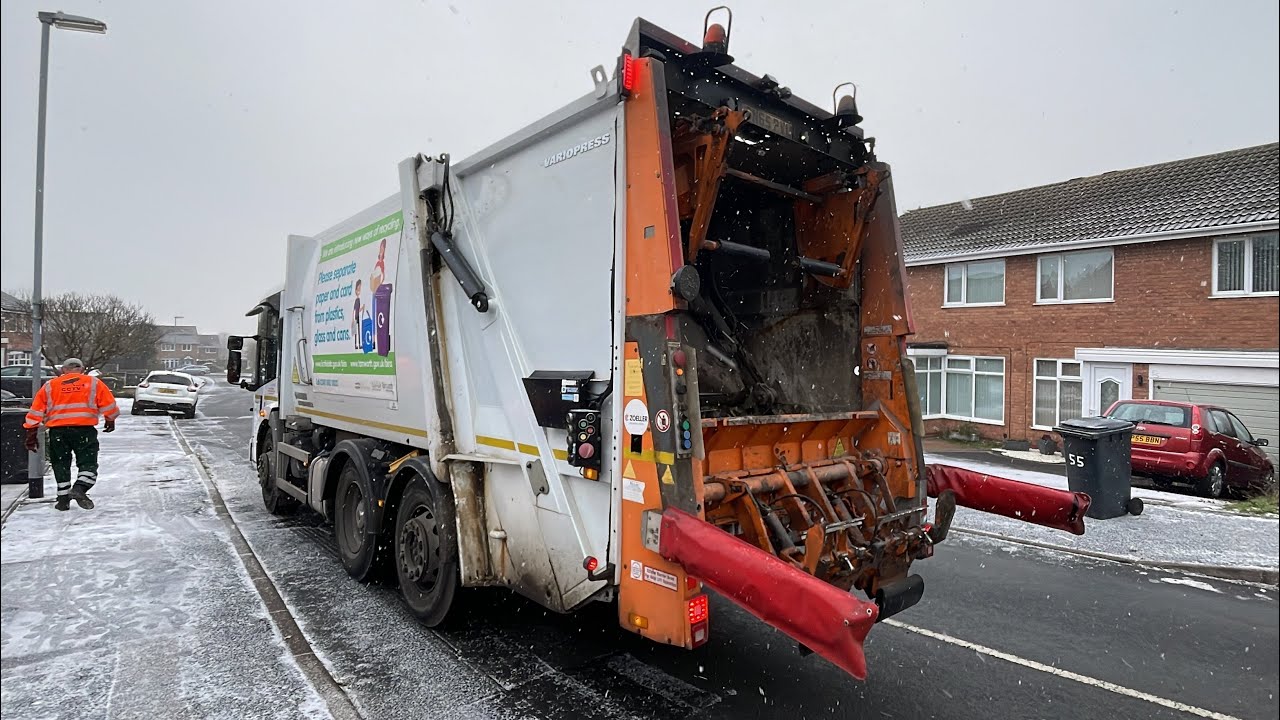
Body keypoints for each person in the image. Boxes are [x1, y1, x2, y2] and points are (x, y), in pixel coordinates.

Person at [23, 357, 119, 511]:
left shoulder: (50, 386)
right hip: (84, 431)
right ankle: (80, 488)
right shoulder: (93, 383)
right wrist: (110, 419)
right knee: (88, 462)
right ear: (81, 369)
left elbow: (36, 410)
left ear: (63, 370)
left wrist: (31, 432)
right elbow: (110, 406)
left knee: (60, 464)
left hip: (58, 432)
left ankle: (62, 500)